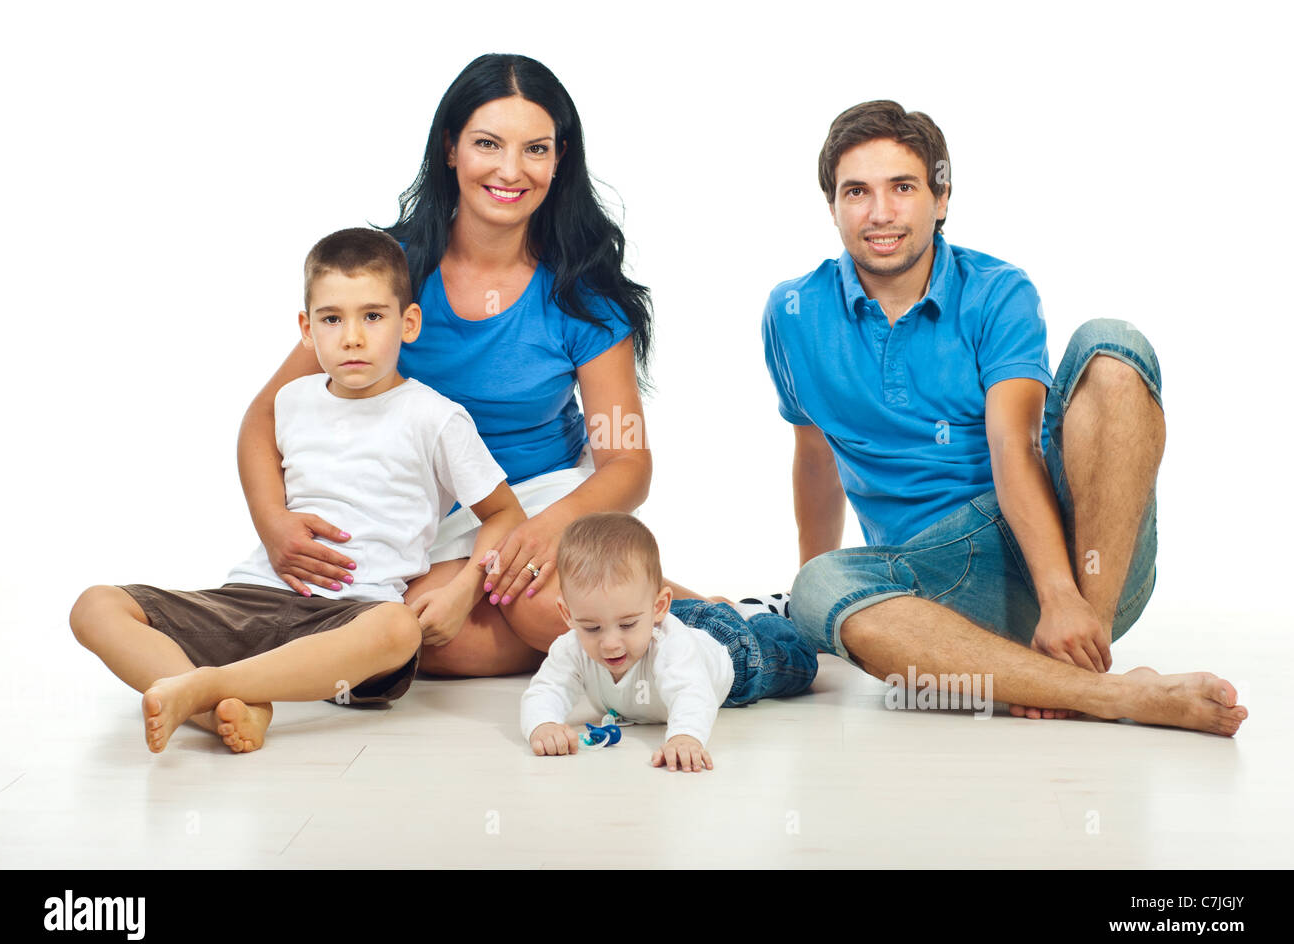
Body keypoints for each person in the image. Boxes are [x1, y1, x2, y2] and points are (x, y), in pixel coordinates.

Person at [762, 100, 1247, 736]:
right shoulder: (793, 313)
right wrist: (812, 602)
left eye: (902, 187)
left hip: (1071, 558)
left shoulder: (997, 291)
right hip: (933, 591)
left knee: (1112, 347)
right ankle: (1101, 692)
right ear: (833, 207)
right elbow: (816, 455)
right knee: (816, 586)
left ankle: (1085, 652)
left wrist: (1064, 598)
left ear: (940, 198)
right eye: (857, 192)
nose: (879, 213)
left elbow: (1013, 445)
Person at [238, 54, 673, 679]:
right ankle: (646, 606)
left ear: (560, 159)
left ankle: (704, 626)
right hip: (417, 516)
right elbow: (264, 414)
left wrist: (548, 530)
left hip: (539, 496)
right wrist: (272, 521)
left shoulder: (583, 297)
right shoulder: (387, 277)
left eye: (536, 149)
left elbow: (627, 461)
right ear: (450, 149)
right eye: (487, 144)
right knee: (416, 634)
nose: (510, 170)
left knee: (530, 604)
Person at [69, 228, 520, 753]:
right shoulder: (291, 401)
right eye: (332, 319)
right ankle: (225, 712)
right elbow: (260, 468)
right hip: (253, 595)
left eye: (372, 316)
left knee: (399, 631)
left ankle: (205, 686)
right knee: (94, 606)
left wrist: (463, 592)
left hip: (352, 614)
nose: (352, 337)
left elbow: (504, 514)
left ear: (409, 322)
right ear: (307, 329)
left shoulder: (436, 418)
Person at [520, 513, 819, 772]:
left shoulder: (671, 647)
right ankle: (733, 611)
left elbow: (692, 693)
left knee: (798, 662)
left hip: (732, 653)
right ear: (567, 614)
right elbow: (547, 689)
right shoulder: (570, 647)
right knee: (645, 626)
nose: (610, 643)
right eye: (592, 627)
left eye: (626, 624)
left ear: (659, 606)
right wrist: (543, 724)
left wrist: (685, 736)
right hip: (671, 620)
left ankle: (766, 615)